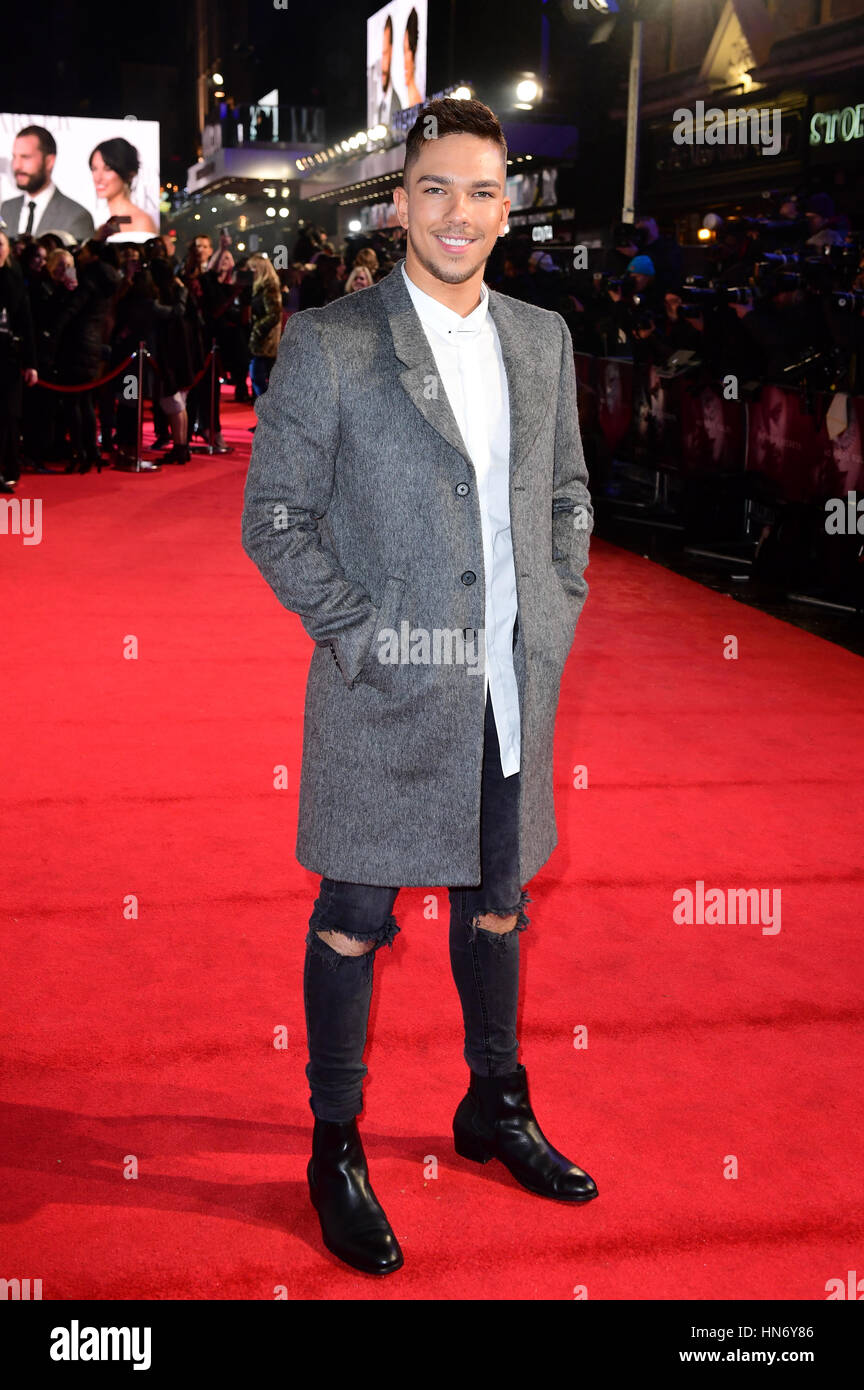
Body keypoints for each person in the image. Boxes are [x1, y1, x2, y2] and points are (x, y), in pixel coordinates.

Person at [241, 96, 597, 1278]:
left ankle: (492, 1102)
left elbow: (567, 495)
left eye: (482, 189)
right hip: (385, 696)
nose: (458, 211)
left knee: (499, 904)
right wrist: (362, 637)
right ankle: (333, 1143)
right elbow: (275, 520)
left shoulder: (541, 338)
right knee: (353, 923)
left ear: (510, 205)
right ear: (398, 204)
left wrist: (554, 600)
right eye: (434, 188)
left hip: (511, 685)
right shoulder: (333, 341)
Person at [1, 126, 95, 243]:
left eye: (25, 157)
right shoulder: (6, 208)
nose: (16, 166)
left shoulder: (77, 217)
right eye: (15, 157)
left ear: (49, 161)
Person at [0, 229, 38, 492]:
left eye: (1, 243)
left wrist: (31, 363)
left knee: (8, 417)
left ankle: (8, 468)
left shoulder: (14, 277)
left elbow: (26, 323)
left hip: (9, 358)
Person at [89, 138, 157, 235]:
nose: (98, 178)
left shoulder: (141, 223)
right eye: (94, 169)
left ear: (128, 173)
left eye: (107, 169)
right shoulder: (100, 225)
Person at [246, 254, 282, 398]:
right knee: (259, 377)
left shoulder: (269, 287)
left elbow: (274, 314)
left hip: (266, 340)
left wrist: (257, 330)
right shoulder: (259, 287)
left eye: (252, 269)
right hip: (262, 339)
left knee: (258, 377)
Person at [377, 13, 402, 128]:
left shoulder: (399, 102)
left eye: (385, 53)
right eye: (381, 55)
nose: (382, 63)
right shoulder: (380, 105)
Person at [402, 7, 423, 108]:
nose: (405, 62)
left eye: (408, 51)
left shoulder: (418, 102)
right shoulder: (405, 100)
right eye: (403, 51)